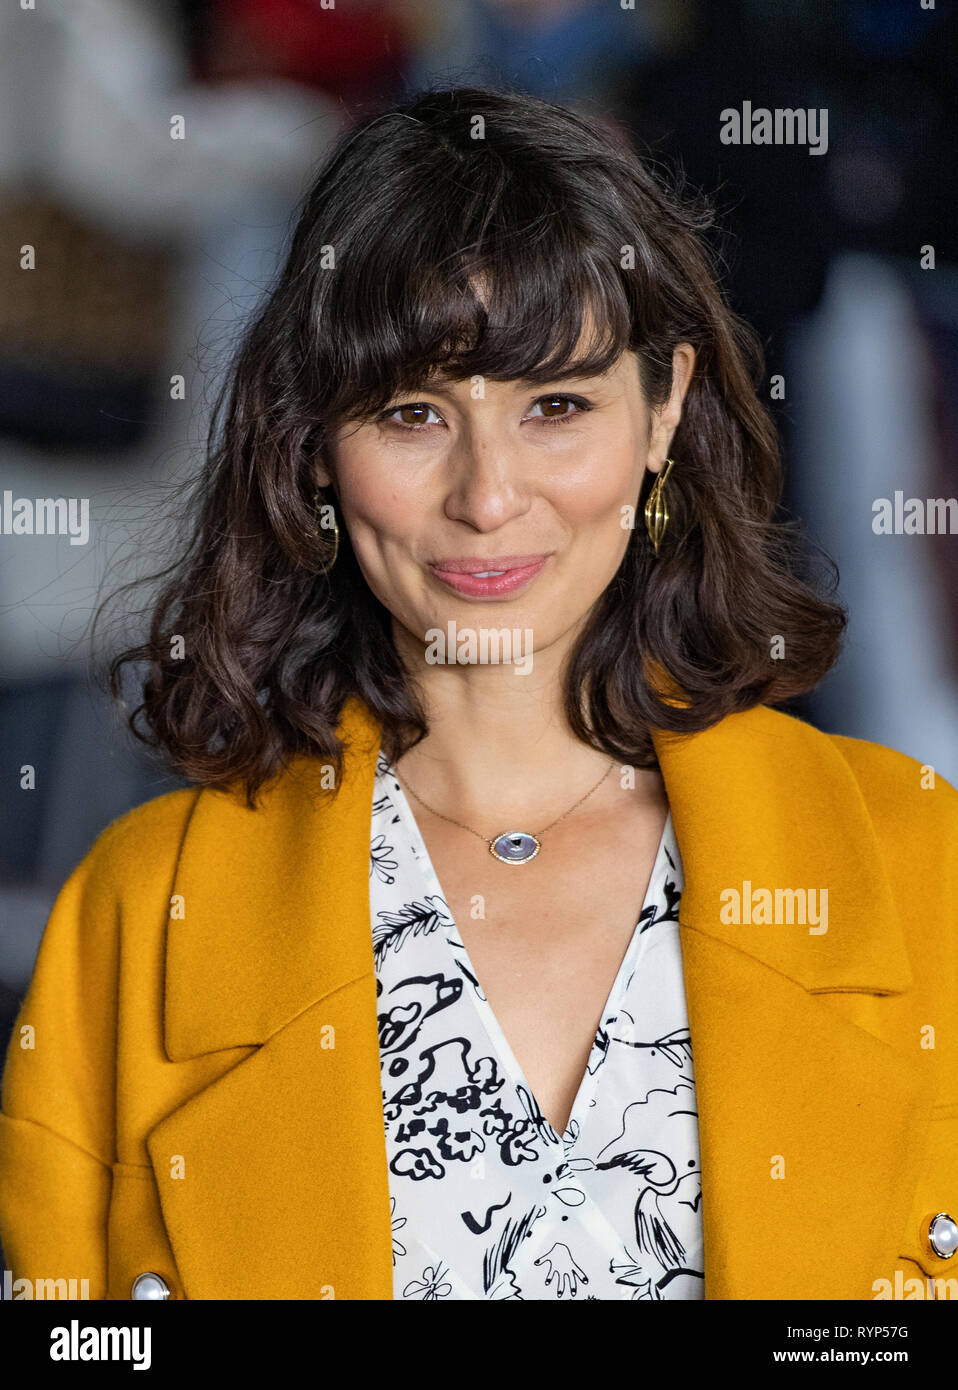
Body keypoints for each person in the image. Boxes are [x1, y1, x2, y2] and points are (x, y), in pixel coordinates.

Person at [1, 86, 956, 1303]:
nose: (487, 493)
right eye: (411, 413)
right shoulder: (141, 914)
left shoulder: (917, 859)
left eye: (554, 405)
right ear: (312, 446)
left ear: (663, 407)